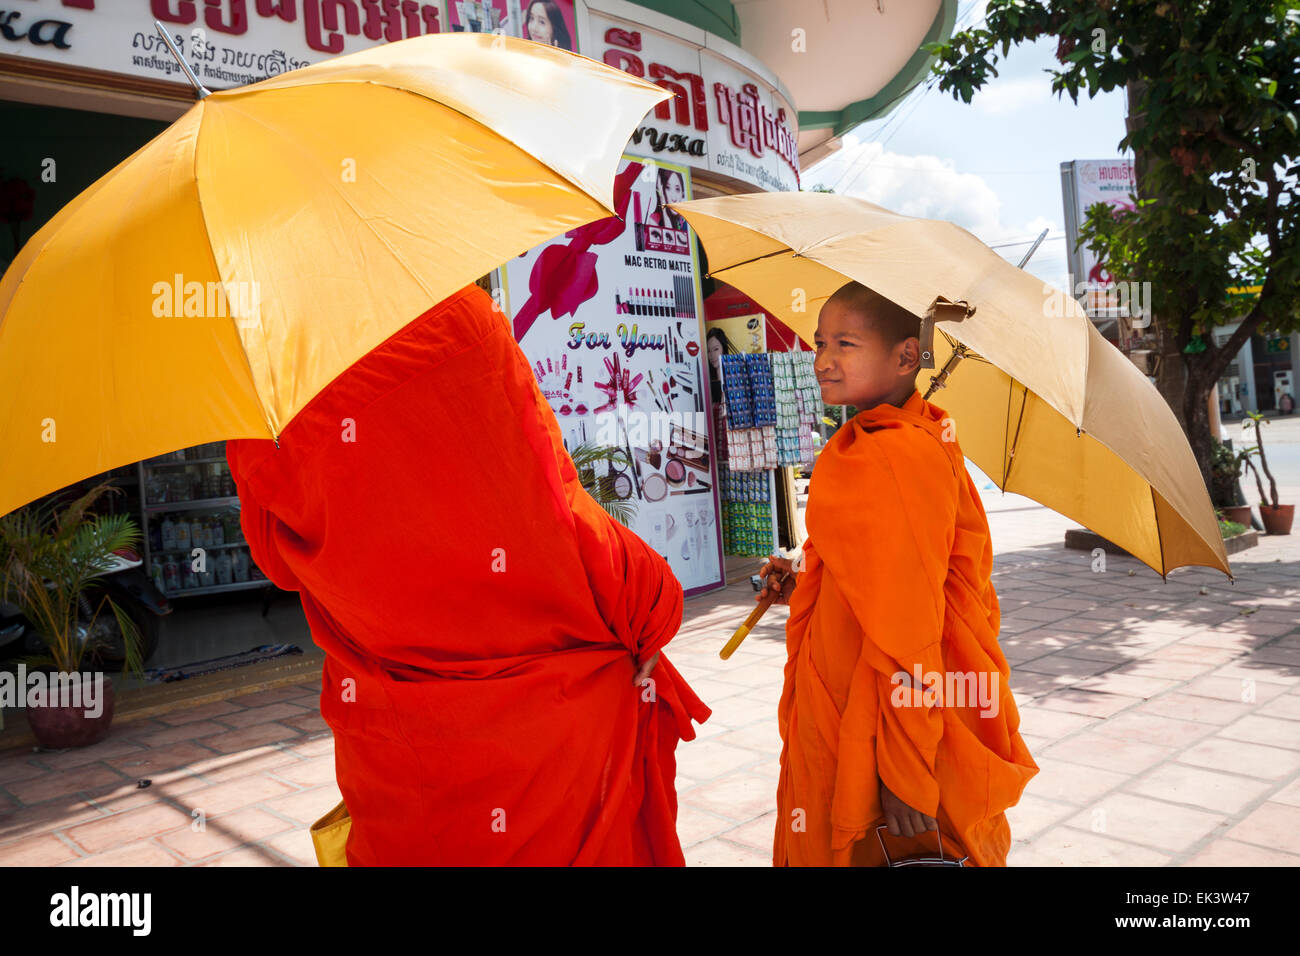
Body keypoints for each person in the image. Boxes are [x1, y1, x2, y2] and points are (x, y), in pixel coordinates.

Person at [227, 283, 709, 865]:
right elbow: (557, 506)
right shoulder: (458, 320)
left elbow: (279, 562)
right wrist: (654, 605)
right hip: (551, 753)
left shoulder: (263, 389)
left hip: (397, 756)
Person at [756, 280, 1037, 866]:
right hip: (850, 687)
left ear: (907, 356)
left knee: (879, 848)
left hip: (894, 716)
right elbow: (867, 565)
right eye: (821, 342)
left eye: (846, 344)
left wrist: (905, 765)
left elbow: (910, 619)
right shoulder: (881, 436)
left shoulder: (901, 453)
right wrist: (807, 574)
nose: (824, 360)